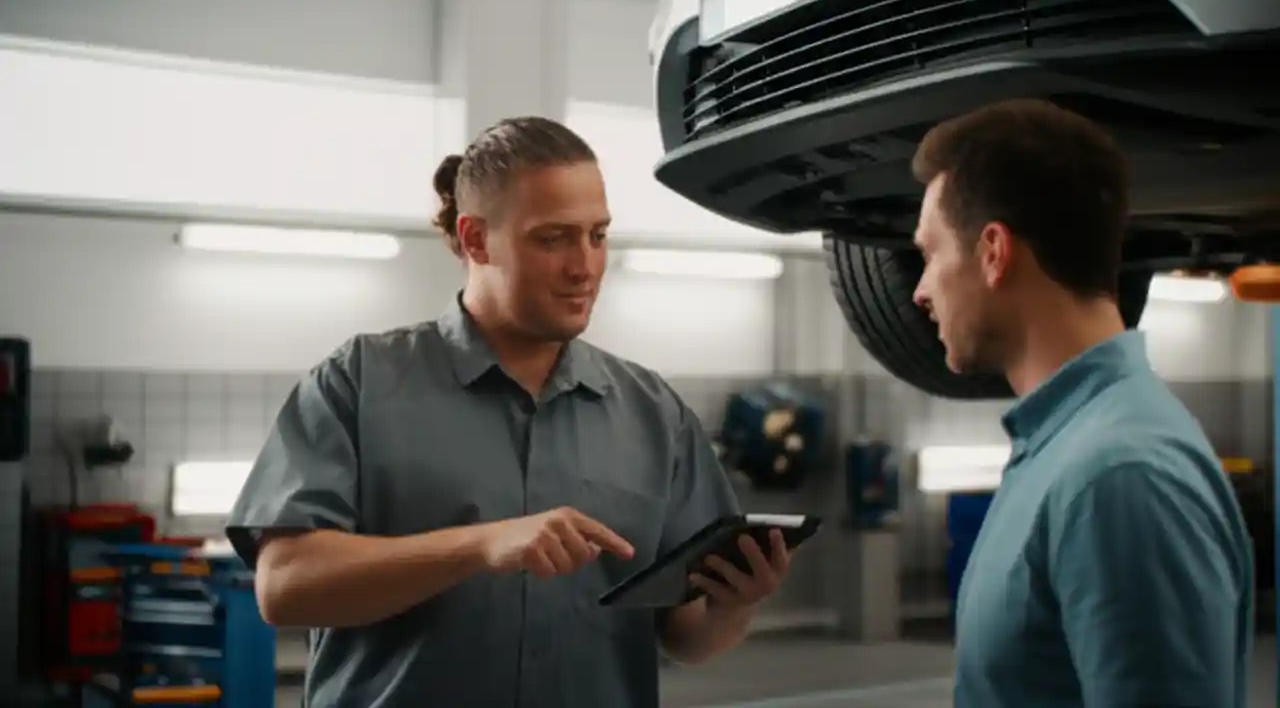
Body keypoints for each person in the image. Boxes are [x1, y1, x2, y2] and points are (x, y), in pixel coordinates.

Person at [224, 116, 795, 707]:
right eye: (553, 239)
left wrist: (734, 604)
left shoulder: (655, 414)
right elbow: (285, 586)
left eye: (597, 235)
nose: (585, 266)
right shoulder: (358, 383)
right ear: (476, 239)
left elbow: (687, 638)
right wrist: (479, 545)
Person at [909, 97, 1255, 707]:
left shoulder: (1119, 475)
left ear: (993, 252)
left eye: (930, 253)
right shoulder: (1067, 448)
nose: (919, 290)